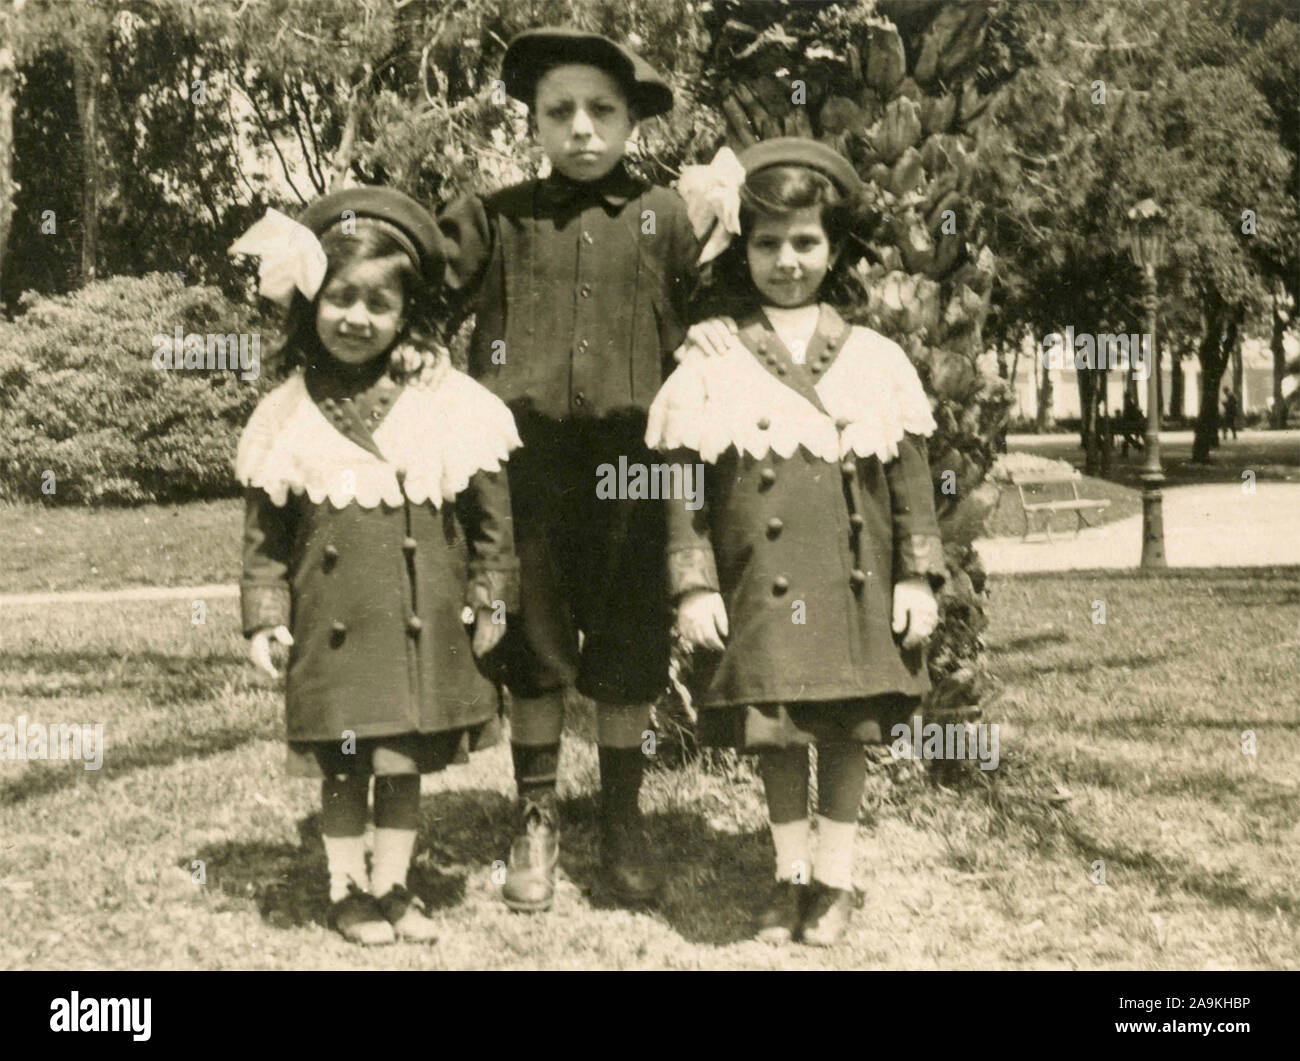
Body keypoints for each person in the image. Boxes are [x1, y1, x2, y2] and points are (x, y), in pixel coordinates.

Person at [648, 139, 945, 946]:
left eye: (806, 242)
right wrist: (695, 582)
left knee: (848, 727)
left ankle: (837, 879)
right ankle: (787, 877)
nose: (787, 260)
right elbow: (682, 485)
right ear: (743, 248)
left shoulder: (877, 359)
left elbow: (912, 480)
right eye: (768, 242)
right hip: (761, 583)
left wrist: (917, 579)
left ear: (835, 248)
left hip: (853, 580)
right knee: (775, 729)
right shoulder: (713, 357)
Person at [437, 27, 704, 911]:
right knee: (537, 647)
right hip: (531, 472)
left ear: (633, 121)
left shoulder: (668, 217)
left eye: (603, 111)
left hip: (637, 471)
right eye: (560, 112)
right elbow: (416, 283)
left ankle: (623, 820)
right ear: (534, 122)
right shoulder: (499, 217)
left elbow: (720, 317)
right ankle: (538, 815)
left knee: (629, 648)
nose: (581, 129)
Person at [233, 187, 521, 945]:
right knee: (344, 762)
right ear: (309, 306)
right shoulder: (286, 411)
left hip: (415, 625)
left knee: (401, 759)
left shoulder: (445, 399)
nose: (358, 318)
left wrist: (491, 592)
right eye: (340, 299)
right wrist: (265, 616)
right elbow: (263, 533)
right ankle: (345, 887)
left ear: (406, 315)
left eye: (379, 304)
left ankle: (393, 884)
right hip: (333, 626)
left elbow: (491, 513)